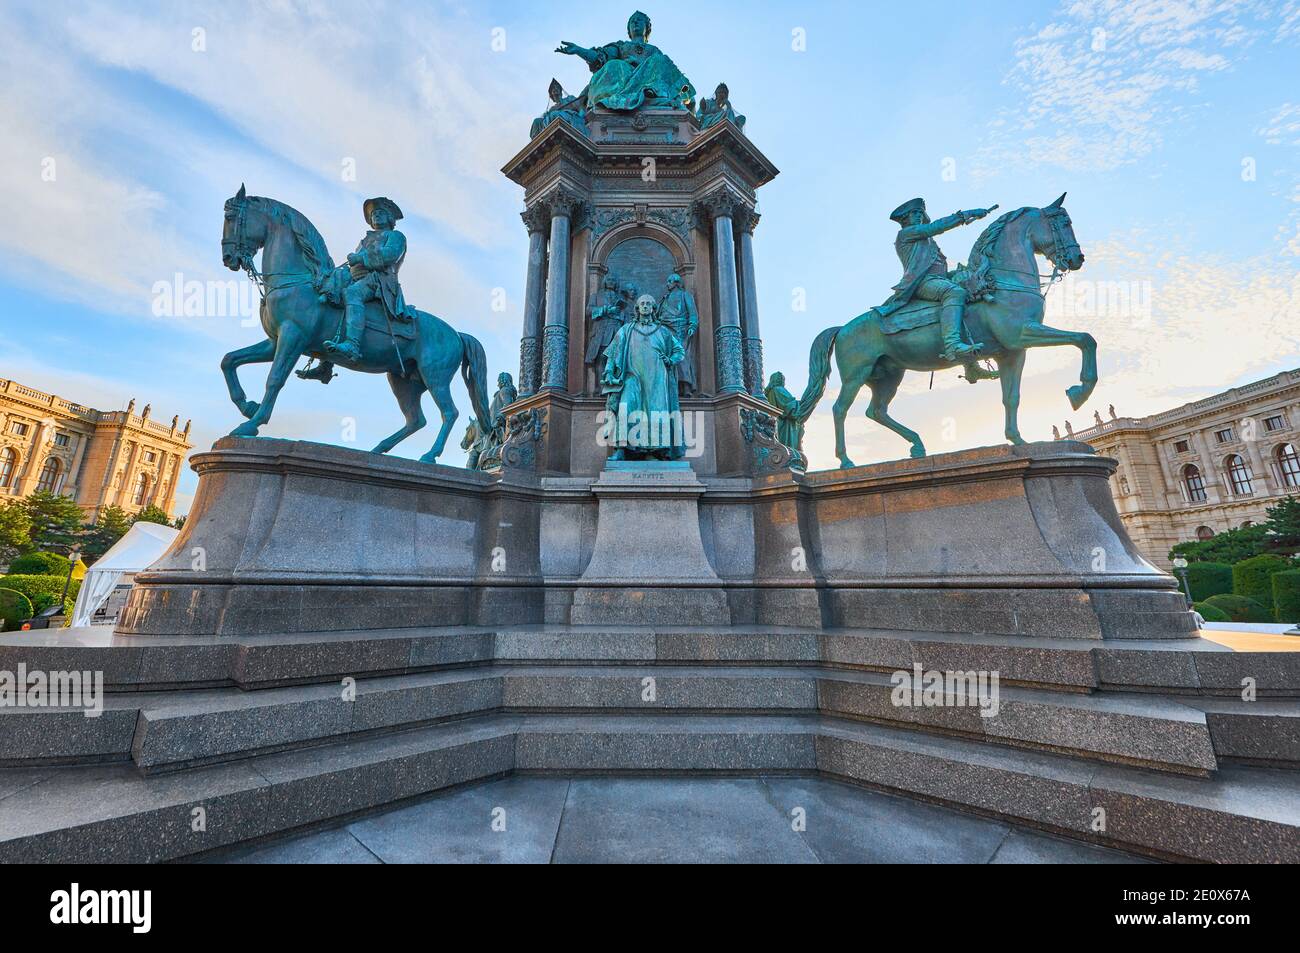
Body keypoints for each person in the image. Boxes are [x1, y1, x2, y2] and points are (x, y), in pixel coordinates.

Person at [879, 197, 994, 363]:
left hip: (938, 278)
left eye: (920, 212)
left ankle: (970, 365)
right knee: (954, 293)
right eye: (914, 213)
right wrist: (968, 214)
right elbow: (937, 227)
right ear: (905, 219)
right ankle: (952, 345)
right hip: (922, 282)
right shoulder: (907, 233)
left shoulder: (924, 238)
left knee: (971, 278)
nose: (918, 215)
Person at [319, 197, 409, 366]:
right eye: (374, 214)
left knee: (352, 294)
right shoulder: (366, 239)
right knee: (330, 297)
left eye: (381, 213)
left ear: (390, 217)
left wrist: (360, 257)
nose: (376, 216)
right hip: (355, 277)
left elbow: (390, 255)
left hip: (379, 280)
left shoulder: (396, 236)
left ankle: (352, 345)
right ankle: (325, 363)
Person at [556, 11, 695, 113]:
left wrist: (641, 65)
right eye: (632, 21)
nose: (635, 22)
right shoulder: (621, 46)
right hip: (625, 77)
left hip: (651, 77)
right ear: (628, 29)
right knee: (614, 65)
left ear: (647, 28)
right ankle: (645, 93)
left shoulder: (655, 52)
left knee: (661, 61)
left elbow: (670, 75)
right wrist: (579, 50)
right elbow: (600, 58)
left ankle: (654, 92)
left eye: (639, 20)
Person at [601, 294, 685, 459]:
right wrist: (609, 371)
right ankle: (621, 450)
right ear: (637, 308)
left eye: (649, 304)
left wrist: (670, 360)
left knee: (656, 412)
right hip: (632, 377)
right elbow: (612, 353)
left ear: (654, 308)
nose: (645, 306)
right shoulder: (626, 330)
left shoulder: (664, 332)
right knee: (626, 406)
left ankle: (653, 451)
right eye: (642, 304)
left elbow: (679, 351)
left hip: (657, 380)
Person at [655, 273, 698, 396]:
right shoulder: (665, 299)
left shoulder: (685, 295)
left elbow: (692, 313)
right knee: (667, 358)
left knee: (682, 359)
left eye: (669, 281)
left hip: (681, 330)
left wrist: (692, 325)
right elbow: (658, 315)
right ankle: (671, 387)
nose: (667, 284)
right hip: (666, 331)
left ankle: (686, 388)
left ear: (676, 283)